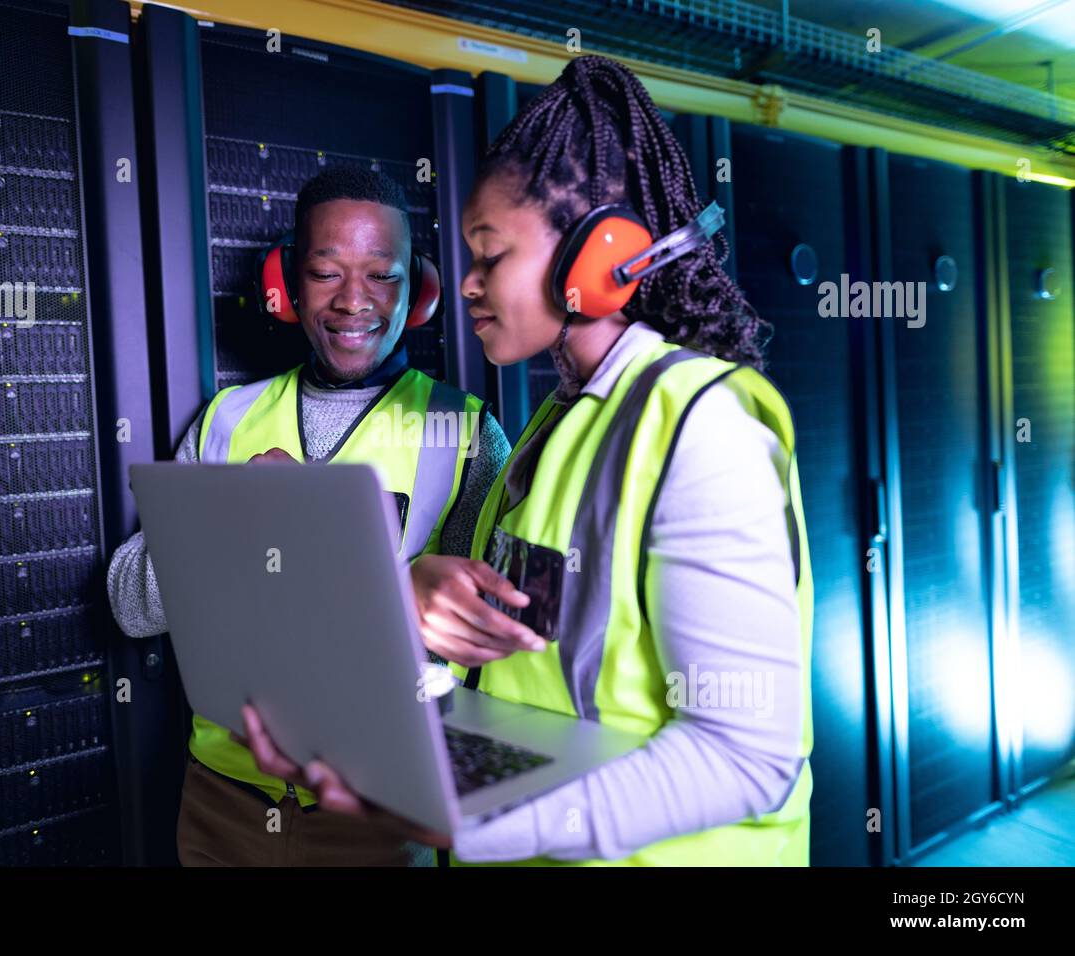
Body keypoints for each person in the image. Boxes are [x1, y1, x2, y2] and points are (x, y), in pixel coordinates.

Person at [239, 55, 815, 866]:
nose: (466, 287)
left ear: (598, 256)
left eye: (490, 256)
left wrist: (467, 818)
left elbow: (746, 759)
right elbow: (527, 681)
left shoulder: (700, 427)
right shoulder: (560, 421)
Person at [107, 166, 512, 865]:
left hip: (379, 808)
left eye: (381, 275)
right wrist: (227, 519)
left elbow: (490, 643)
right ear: (290, 285)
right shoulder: (227, 421)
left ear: (418, 294)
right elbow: (129, 606)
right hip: (223, 801)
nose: (354, 301)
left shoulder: (467, 432)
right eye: (326, 272)